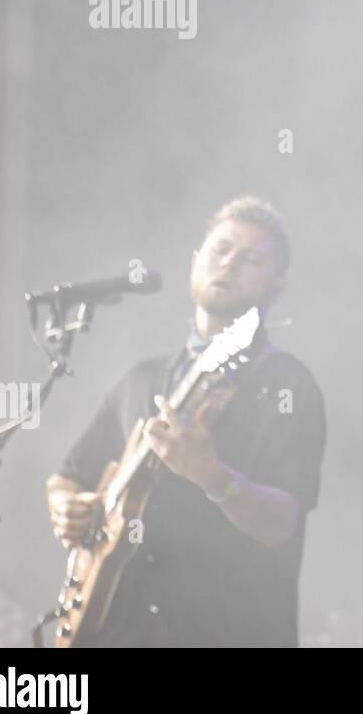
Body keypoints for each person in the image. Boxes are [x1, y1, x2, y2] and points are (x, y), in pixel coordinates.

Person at [44, 195, 325, 647]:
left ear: (276, 291)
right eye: (220, 250)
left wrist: (210, 475)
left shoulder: (287, 383)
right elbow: (65, 477)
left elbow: (280, 524)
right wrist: (68, 509)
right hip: (118, 630)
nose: (229, 263)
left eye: (250, 259)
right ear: (196, 261)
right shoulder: (141, 378)